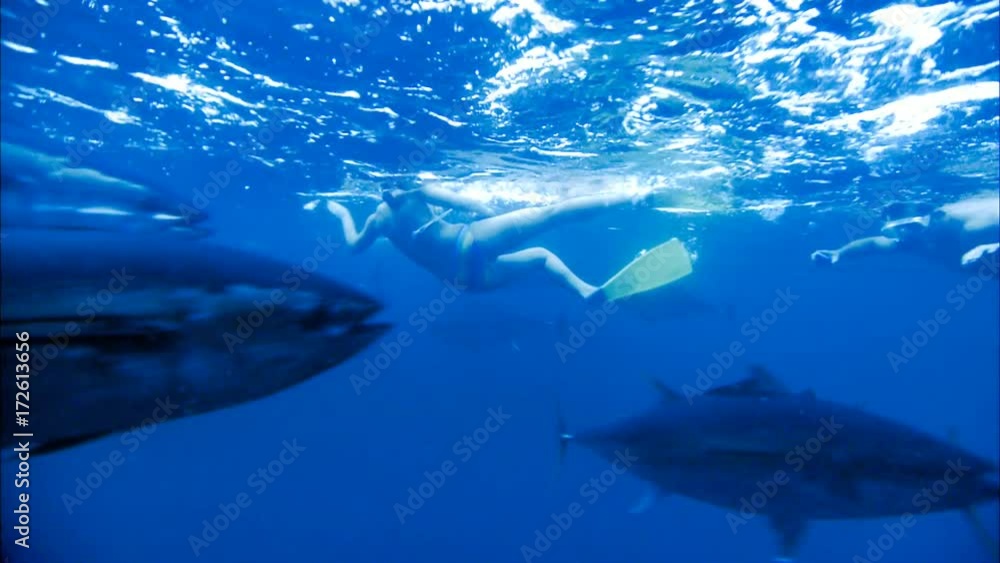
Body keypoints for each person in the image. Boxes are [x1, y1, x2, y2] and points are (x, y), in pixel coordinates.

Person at [321, 182, 692, 301]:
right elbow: (472, 205)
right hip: (468, 243)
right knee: (552, 213)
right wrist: (490, 212)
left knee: (542, 257)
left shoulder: (376, 221)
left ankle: (588, 292)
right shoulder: (421, 191)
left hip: (465, 282)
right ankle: (635, 196)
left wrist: (340, 214)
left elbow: (353, 246)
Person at [810, 192, 999, 272]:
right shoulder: (913, 240)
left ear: (939, 217)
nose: (906, 235)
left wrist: (992, 247)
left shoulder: (975, 228)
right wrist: (840, 252)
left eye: (913, 226)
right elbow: (873, 243)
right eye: (897, 230)